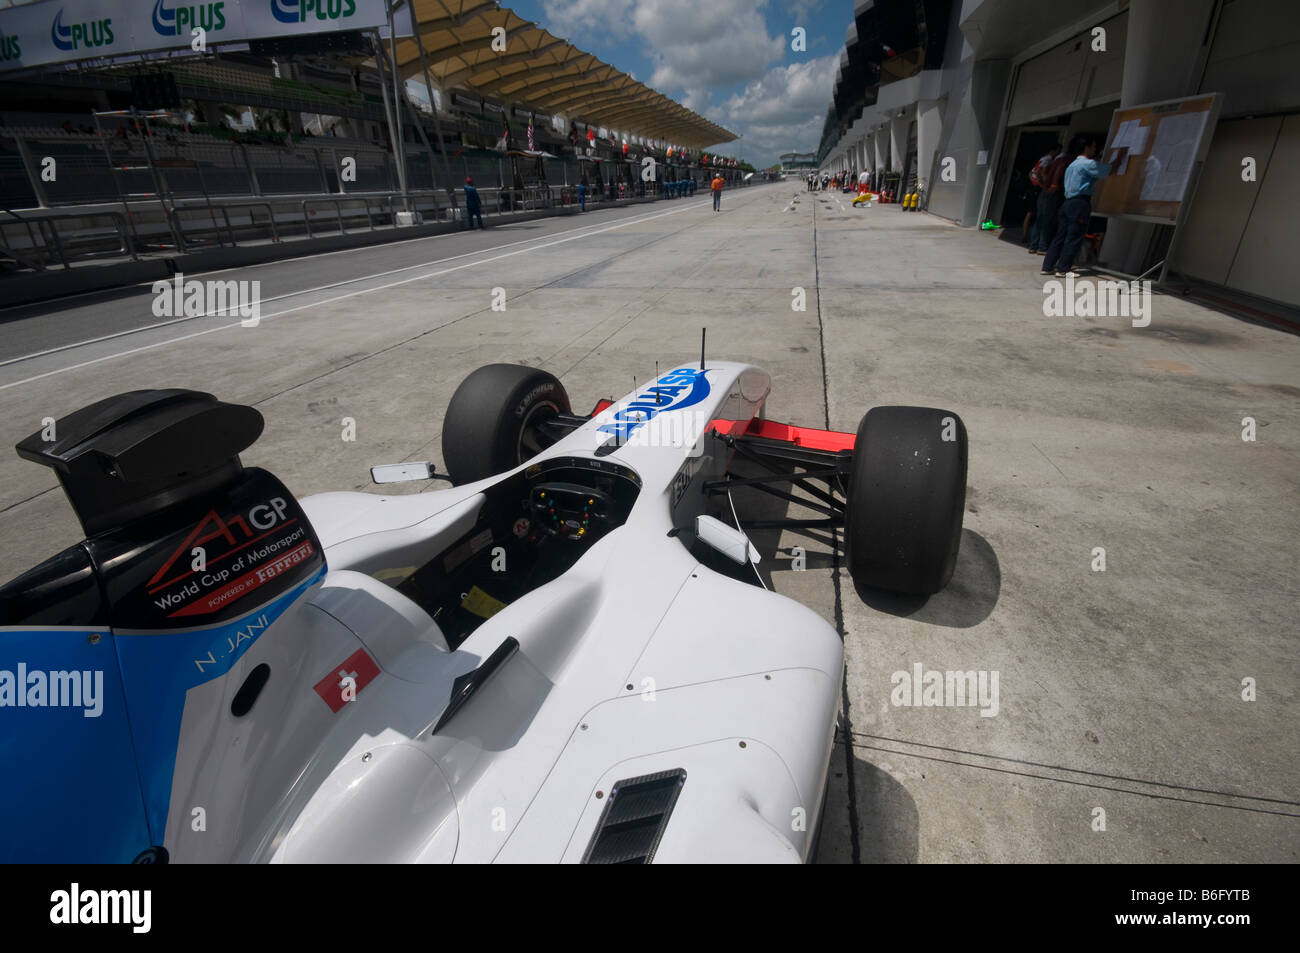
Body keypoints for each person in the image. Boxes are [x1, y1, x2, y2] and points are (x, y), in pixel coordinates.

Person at [1042, 138, 1112, 278]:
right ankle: (1063, 268)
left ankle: (1048, 266)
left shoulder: (1073, 164)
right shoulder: (1088, 164)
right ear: (1086, 148)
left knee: (1060, 235)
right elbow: (1106, 171)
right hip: (1080, 203)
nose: (1094, 150)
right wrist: (1120, 159)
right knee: (1074, 236)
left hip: (1067, 202)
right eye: (1093, 147)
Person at [1026, 143, 1061, 253]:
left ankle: (1033, 245)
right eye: (1059, 150)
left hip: (1040, 190)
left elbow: (1032, 172)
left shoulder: (1043, 159)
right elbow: (1039, 171)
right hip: (1045, 191)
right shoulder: (1048, 160)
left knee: (1039, 219)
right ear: (1054, 151)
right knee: (1045, 219)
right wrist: (1044, 185)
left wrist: (1037, 183)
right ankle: (1042, 246)